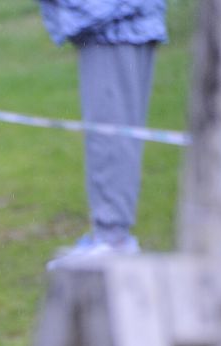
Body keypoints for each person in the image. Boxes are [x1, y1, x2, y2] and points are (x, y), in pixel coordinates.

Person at [38, 0, 167, 267]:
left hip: (115, 23)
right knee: (112, 133)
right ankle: (109, 235)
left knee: (109, 135)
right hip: (117, 21)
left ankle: (113, 240)